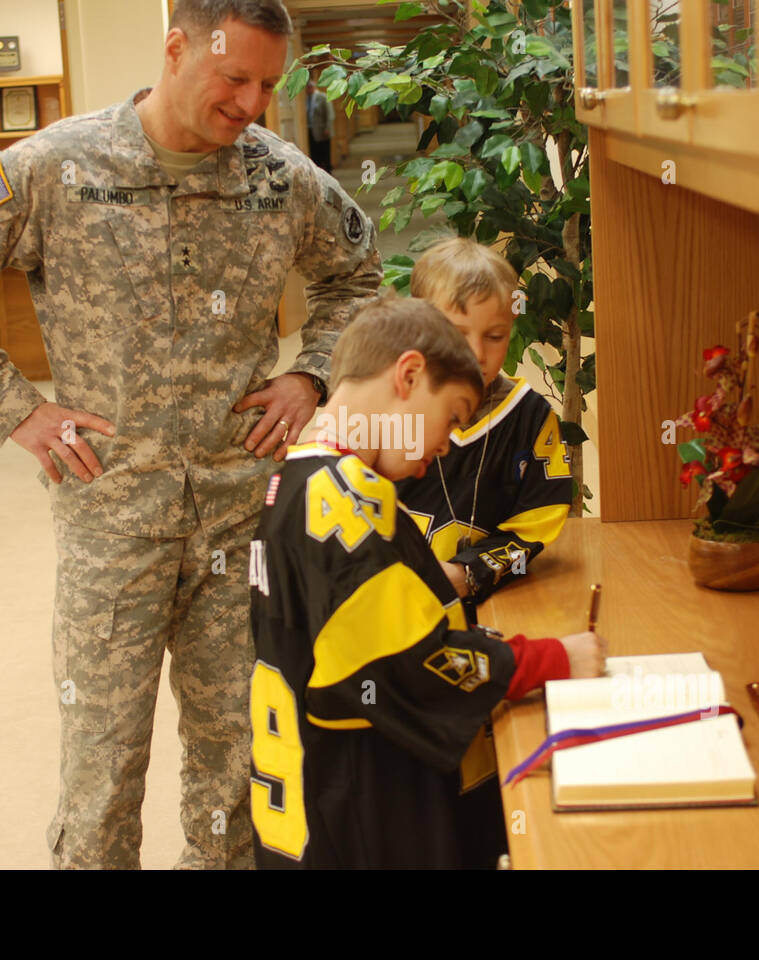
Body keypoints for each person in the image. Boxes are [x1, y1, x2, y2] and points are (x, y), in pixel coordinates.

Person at [0, 0, 382, 869]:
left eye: (269, 85)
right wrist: (19, 409)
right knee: (102, 778)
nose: (251, 105)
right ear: (175, 47)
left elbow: (356, 272)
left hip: (239, 516)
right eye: (233, 78)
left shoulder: (278, 176)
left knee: (236, 769)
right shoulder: (55, 167)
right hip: (111, 521)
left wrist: (311, 375)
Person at [247, 296, 604, 868]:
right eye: (453, 415)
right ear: (409, 375)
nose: (445, 445)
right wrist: (548, 660)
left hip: (321, 795)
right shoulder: (340, 506)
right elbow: (414, 665)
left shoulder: (302, 479)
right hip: (362, 815)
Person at [396, 237, 573, 616]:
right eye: (456, 334)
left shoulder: (529, 416)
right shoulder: (384, 409)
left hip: (494, 604)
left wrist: (468, 573)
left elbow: (536, 521)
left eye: (495, 337)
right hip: (392, 606)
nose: (476, 354)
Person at [305, 80, 334, 172]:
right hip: (310, 129)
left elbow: (330, 114)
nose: (307, 90)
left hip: (322, 130)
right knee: (314, 153)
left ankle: (328, 171)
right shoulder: (306, 99)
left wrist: (327, 128)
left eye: (309, 88)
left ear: (312, 87)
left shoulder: (322, 97)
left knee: (325, 152)